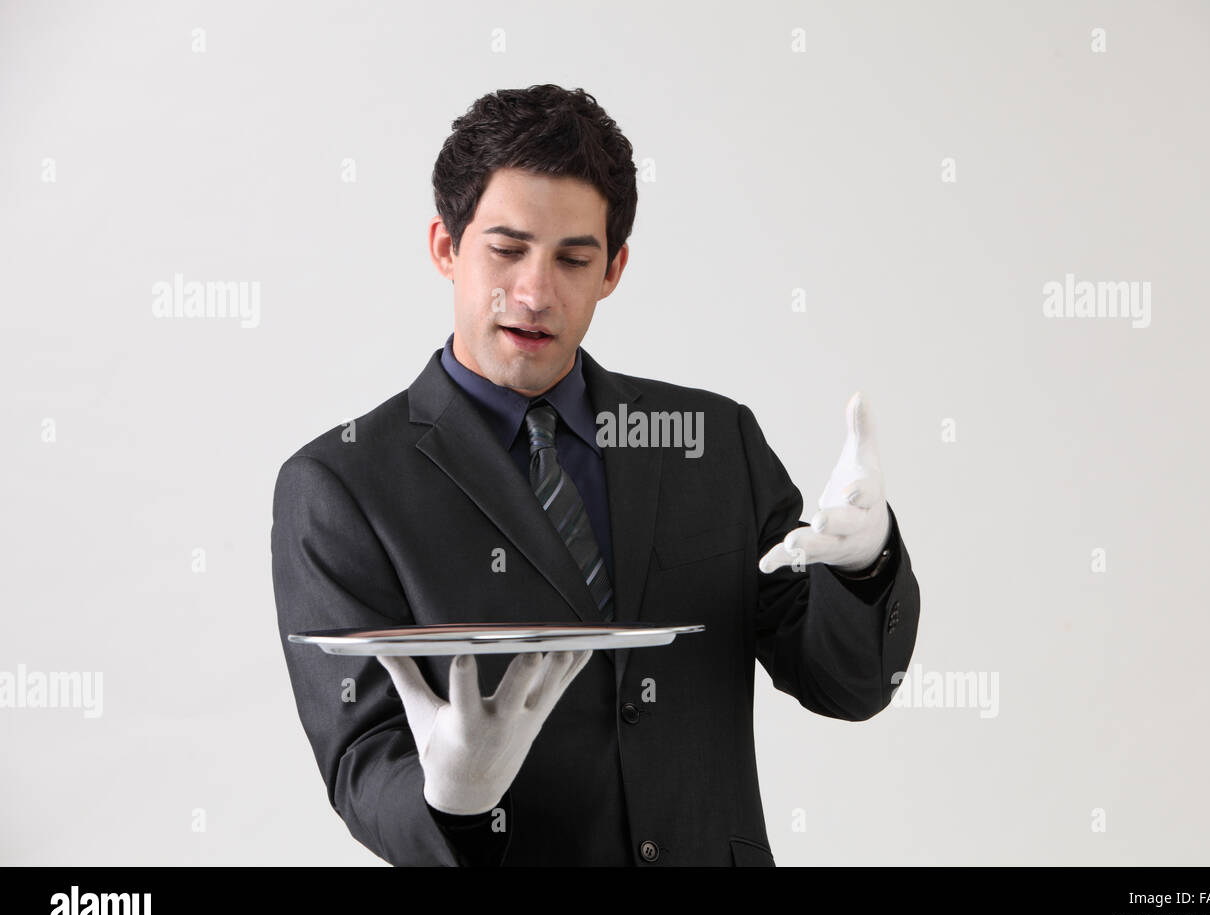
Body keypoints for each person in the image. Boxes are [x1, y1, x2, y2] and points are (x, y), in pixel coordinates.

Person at [270, 84, 920, 866]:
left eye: (573, 259)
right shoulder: (340, 485)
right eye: (506, 250)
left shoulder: (710, 440)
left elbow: (844, 686)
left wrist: (865, 566)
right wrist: (455, 800)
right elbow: (360, 763)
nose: (536, 293)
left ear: (613, 269)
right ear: (445, 247)